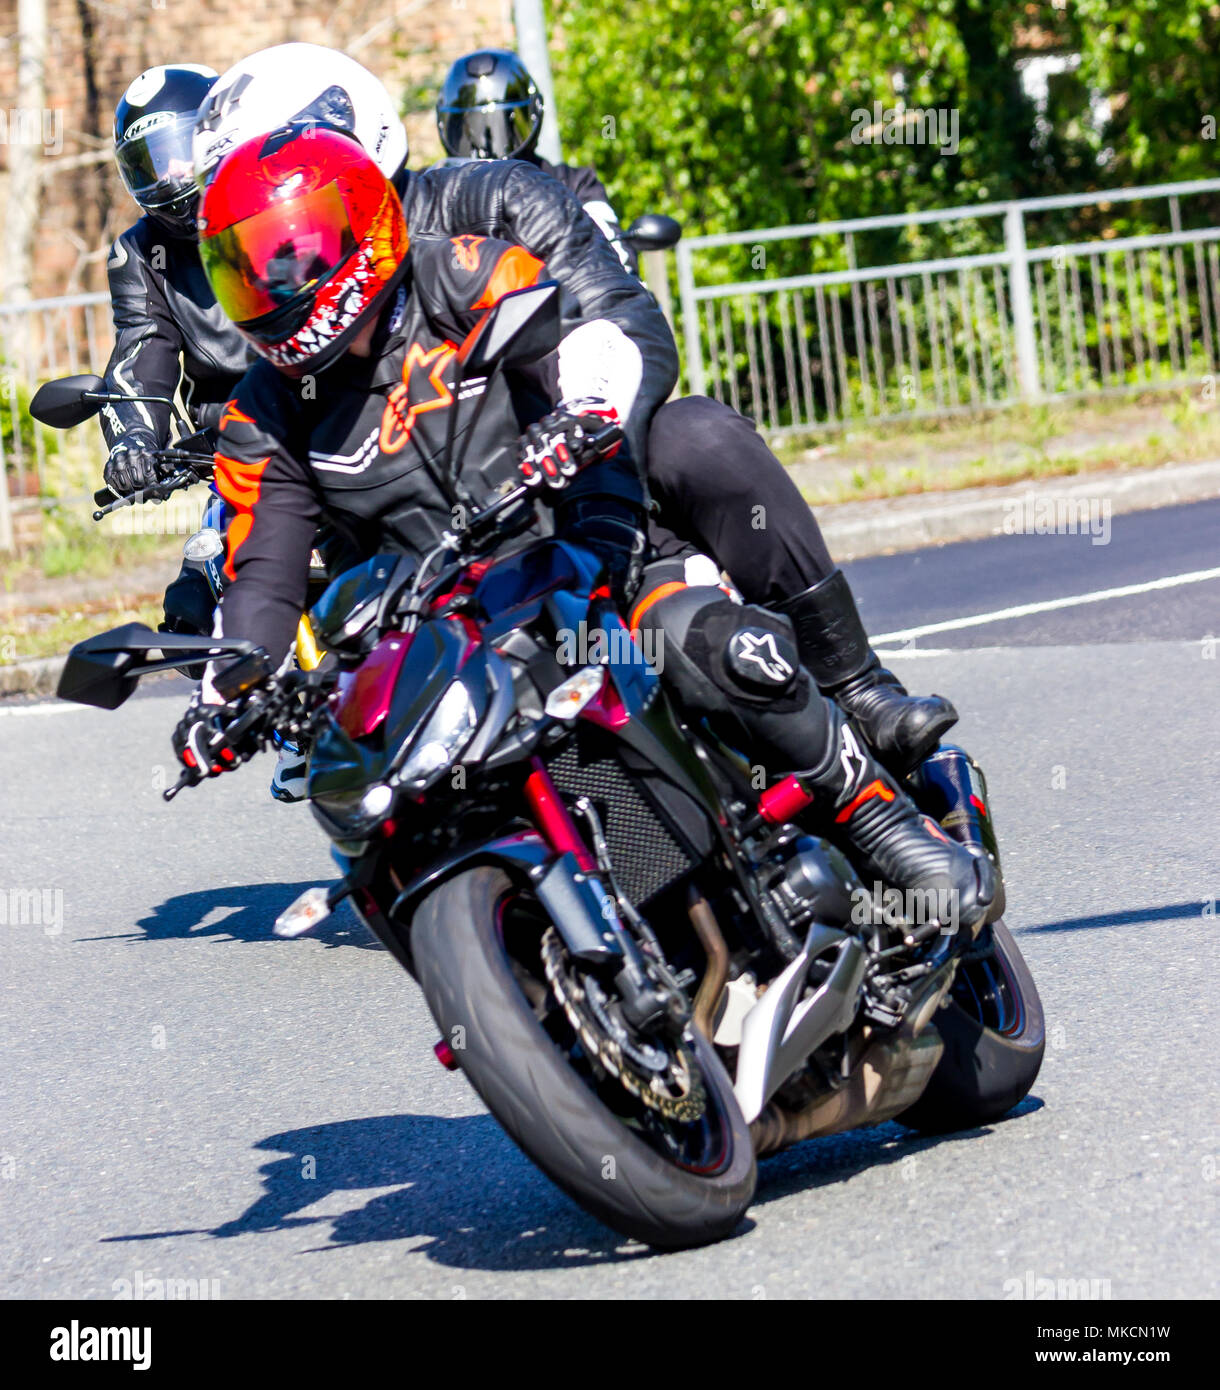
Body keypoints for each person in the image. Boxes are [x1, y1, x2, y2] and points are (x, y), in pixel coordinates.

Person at [171, 127, 995, 932]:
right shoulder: (261, 415)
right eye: (248, 269)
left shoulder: (453, 273)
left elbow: (584, 333)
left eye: (297, 252)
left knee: (699, 640)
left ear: (363, 222)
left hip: (583, 544)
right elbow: (264, 577)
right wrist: (226, 695)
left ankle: (875, 813)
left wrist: (587, 410)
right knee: (383, 802)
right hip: (447, 624)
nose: (276, 284)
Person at [191, 43, 957, 777]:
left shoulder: (494, 198)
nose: (273, 218)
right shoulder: (281, 336)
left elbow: (622, 319)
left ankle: (856, 685)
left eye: (295, 163)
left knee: (698, 437)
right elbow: (261, 516)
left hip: (571, 477)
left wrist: (583, 427)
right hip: (415, 560)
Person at [434, 48, 637, 273]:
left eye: (504, 125)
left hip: (562, 305)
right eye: (473, 129)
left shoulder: (574, 184)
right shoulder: (433, 193)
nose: (487, 142)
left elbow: (616, 261)